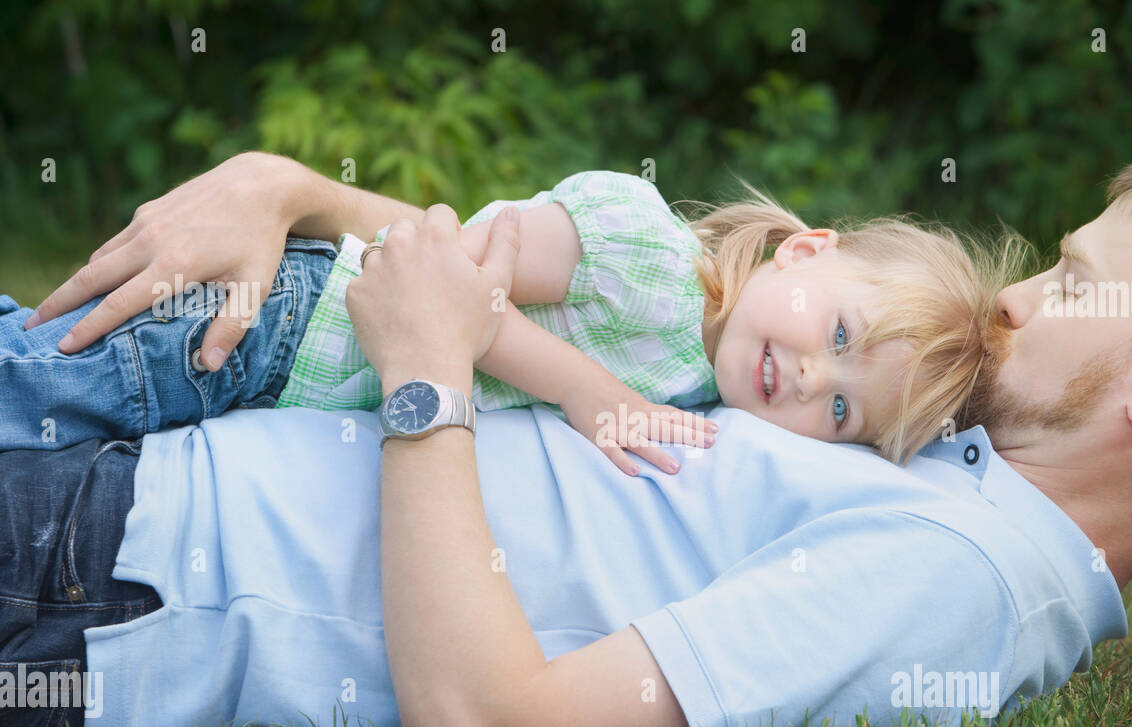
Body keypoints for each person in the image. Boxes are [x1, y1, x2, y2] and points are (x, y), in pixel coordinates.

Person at [2, 147, 1132, 727]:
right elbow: (627, 313)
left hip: (116, 582)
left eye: (1076, 281)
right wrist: (295, 194)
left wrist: (424, 382)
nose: (1015, 299)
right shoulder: (950, 448)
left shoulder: (964, 579)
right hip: (148, 478)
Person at [5, 169, 1018, 472]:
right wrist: (589, 390)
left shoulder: (695, 392)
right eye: (837, 337)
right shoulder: (643, 252)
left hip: (273, 386)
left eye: (841, 410)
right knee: (36, 389)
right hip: (275, 328)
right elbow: (453, 280)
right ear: (805, 250)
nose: (807, 378)